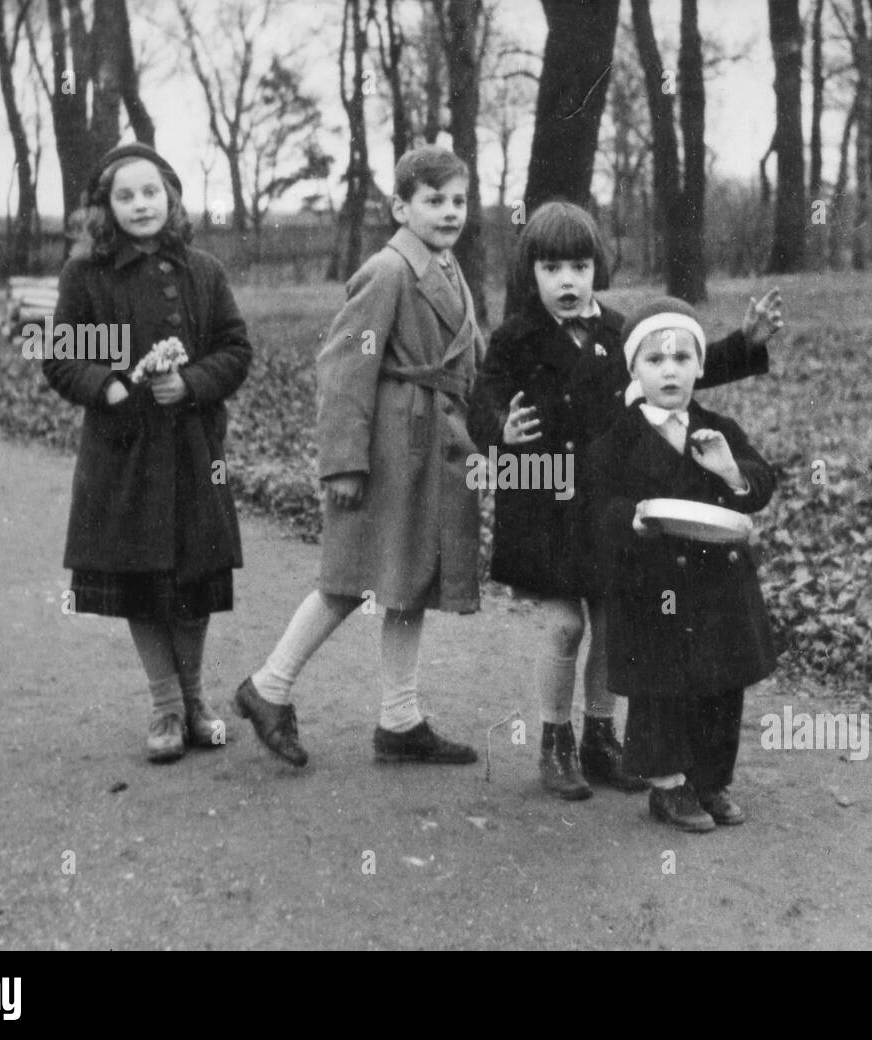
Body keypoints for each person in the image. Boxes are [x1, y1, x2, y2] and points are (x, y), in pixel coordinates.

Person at [467, 201, 783, 800]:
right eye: (551, 267)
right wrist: (497, 430)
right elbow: (484, 398)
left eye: (580, 266)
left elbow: (681, 364)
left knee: (613, 621)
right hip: (541, 504)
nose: (567, 280)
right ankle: (554, 741)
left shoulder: (620, 333)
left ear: (597, 269)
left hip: (609, 505)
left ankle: (599, 735)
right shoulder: (515, 337)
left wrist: (745, 343)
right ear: (528, 273)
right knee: (563, 625)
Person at [233, 145, 485, 768]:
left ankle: (399, 719)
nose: (449, 212)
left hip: (434, 443)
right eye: (434, 200)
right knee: (350, 577)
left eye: (458, 200)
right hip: (390, 448)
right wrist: (343, 463)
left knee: (409, 578)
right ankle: (268, 686)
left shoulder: (448, 268)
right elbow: (343, 368)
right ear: (401, 206)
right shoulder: (389, 270)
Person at [44, 142, 252, 764]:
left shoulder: (203, 272)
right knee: (140, 581)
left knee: (194, 576)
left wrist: (191, 382)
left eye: (151, 192)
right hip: (123, 452)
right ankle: (164, 706)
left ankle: (195, 701)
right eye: (125, 195)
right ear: (106, 207)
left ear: (171, 198)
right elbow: (61, 354)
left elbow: (235, 350)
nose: (140, 205)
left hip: (193, 449)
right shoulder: (88, 276)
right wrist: (104, 384)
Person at [582, 298, 778, 832]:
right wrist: (633, 519)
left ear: (699, 367)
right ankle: (668, 786)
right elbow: (599, 508)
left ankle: (711, 781)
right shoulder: (617, 440)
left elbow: (760, 485)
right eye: (654, 360)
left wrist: (733, 472)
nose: (669, 371)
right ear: (634, 370)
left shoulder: (719, 429)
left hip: (718, 586)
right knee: (662, 688)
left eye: (681, 358)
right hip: (652, 586)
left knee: (720, 684)